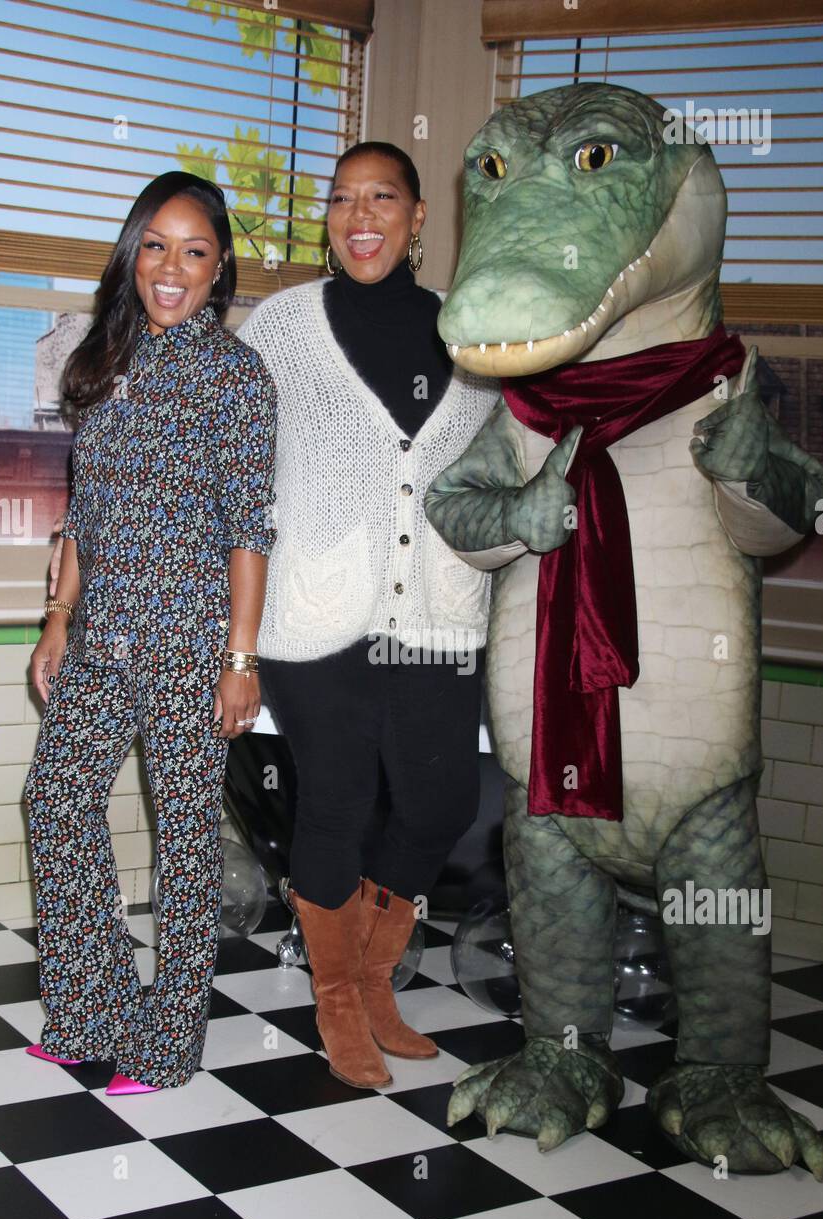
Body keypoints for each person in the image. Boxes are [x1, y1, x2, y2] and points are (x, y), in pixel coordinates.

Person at [236, 142, 499, 1089]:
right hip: (313, 609)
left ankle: (376, 979)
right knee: (339, 797)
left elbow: (498, 471)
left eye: (383, 197)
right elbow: (236, 468)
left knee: (441, 804)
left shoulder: (469, 337)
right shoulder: (284, 327)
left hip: (434, 608)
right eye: (343, 198)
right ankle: (338, 1001)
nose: (361, 215)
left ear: (418, 215)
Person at [23, 171, 278, 1094]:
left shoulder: (237, 376)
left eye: (196, 251)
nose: (172, 269)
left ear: (220, 270)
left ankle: (166, 1047)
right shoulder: (102, 365)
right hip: (99, 637)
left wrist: (238, 661)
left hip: (188, 641)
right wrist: (57, 620)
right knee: (56, 803)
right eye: (157, 247)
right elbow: (83, 514)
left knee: (184, 840)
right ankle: (89, 1011)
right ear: (135, 254)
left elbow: (250, 529)